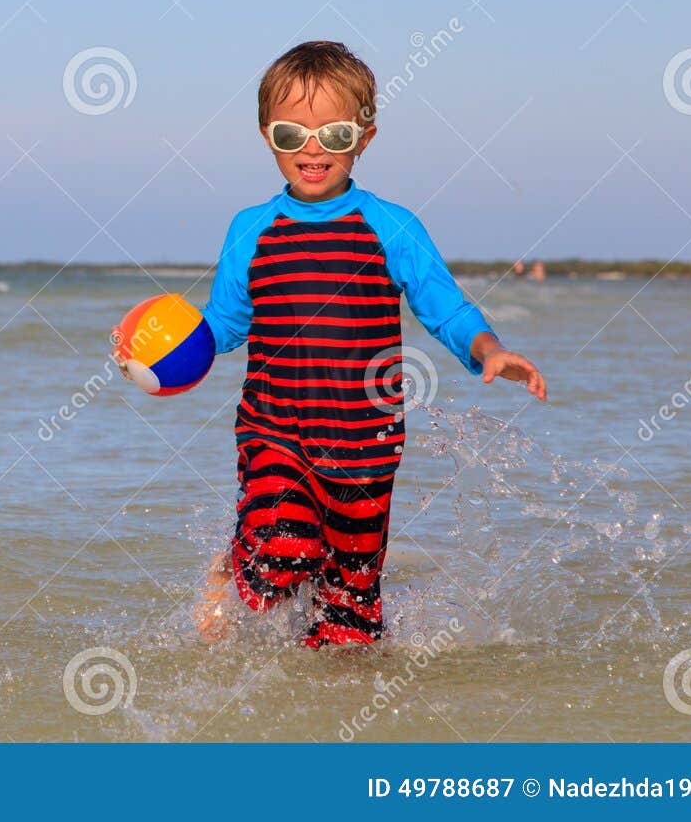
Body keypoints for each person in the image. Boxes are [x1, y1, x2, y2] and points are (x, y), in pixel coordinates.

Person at [188, 41, 545, 647]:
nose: (312, 150)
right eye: (291, 134)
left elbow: (445, 307)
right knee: (283, 549)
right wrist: (159, 350)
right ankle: (232, 567)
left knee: (348, 622)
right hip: (274, 427)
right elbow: (222, 325)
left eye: (334, 134)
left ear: (365, 137)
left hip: (366, 444)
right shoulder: (251, 229)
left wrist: (488, 350)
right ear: (267, 137)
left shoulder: (392, 227)